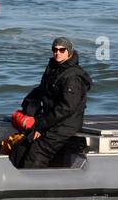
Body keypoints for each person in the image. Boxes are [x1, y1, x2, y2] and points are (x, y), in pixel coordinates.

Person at [9, 36, 93, 169]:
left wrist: (41, 125)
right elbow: (42, 90)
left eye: (62, 50)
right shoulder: (53, 68)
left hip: (66, 124)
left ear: (69, 52)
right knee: (22, 148)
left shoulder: (73, 77)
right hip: (50, 120)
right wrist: (27, 104)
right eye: (55, 49)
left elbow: (66, 108)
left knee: (37, 151)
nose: (57, 52)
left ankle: (34, 184)